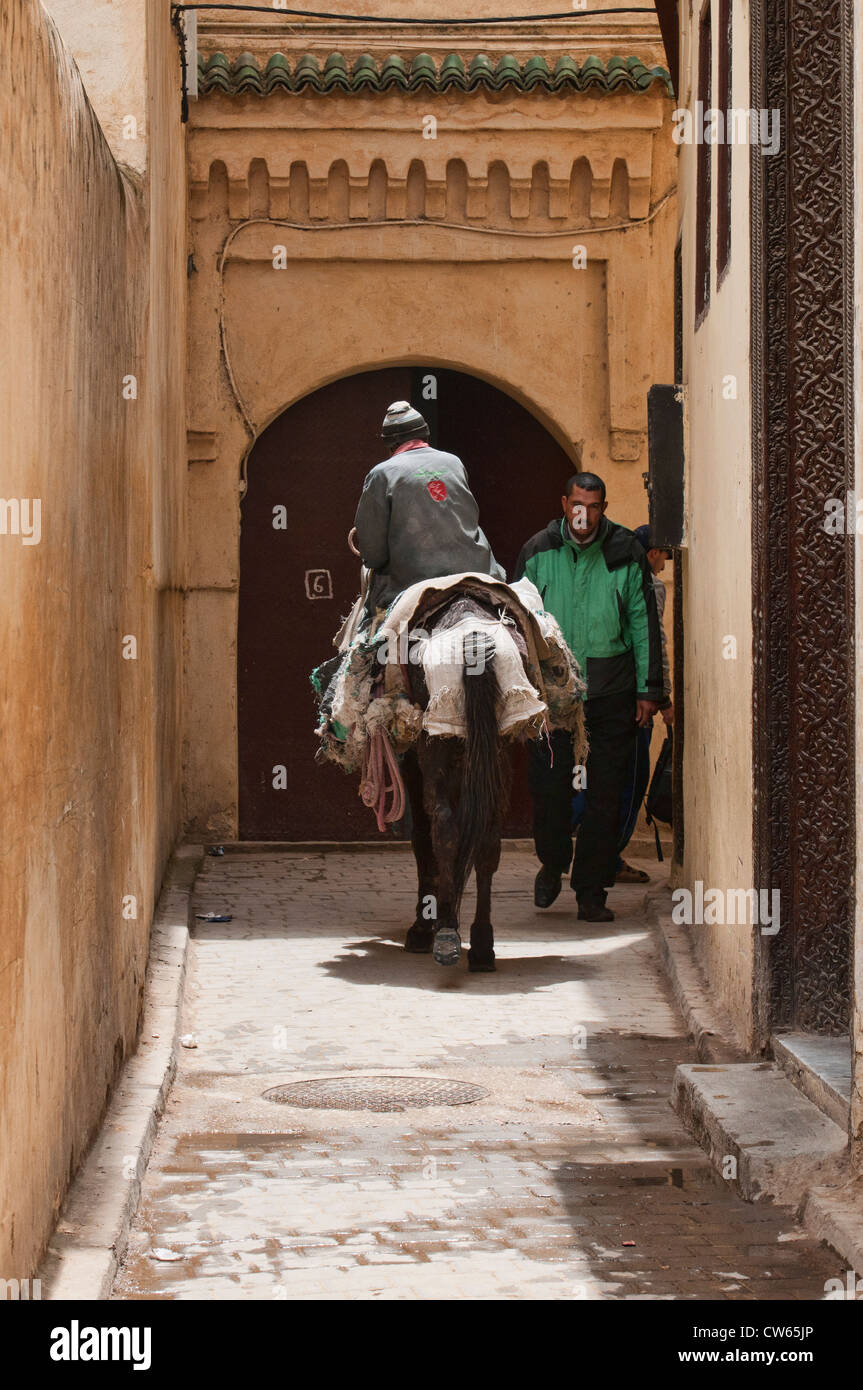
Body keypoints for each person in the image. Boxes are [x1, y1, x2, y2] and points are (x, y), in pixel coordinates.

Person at [514, 472, 664, 921]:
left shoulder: (625, 551)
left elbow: (644, 624)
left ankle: (591, 890)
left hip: (612, 689)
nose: (585, 513)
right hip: (554, 693)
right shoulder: (538, 552)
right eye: (578, 504)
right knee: (549, 787)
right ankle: (553, 860)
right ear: (565, 504)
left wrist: (648, 689)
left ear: (602, 508)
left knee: (606, 792)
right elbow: (516, 622)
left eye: (594, 506)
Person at [354, 401, 505, 614]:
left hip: (412, 583)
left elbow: (373, 555)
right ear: (426, 436)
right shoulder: (454, 462)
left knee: (371, 629)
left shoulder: (382, 473)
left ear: (390, 446)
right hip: (478, 573)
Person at [614, 524, 673, 884]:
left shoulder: (614, 579)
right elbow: (655, 645)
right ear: (651, 553)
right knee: (633, 780)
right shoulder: (652, 587)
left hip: (610, 692)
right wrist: (662, 698)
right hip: (639, 700)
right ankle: (611, 855)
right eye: (664, 553)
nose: (666, 560)